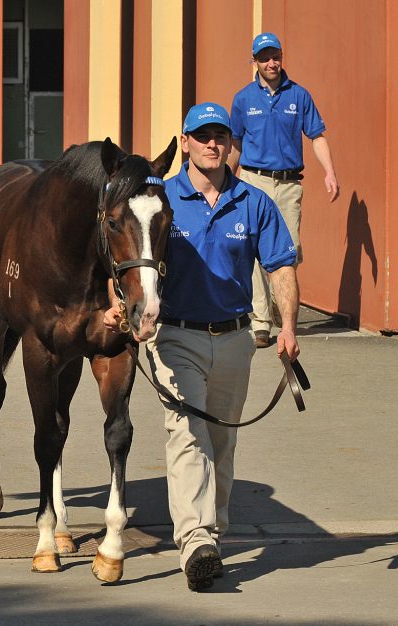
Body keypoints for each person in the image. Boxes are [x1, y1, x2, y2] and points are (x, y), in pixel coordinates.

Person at [104, 103, 300, 592]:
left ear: (230, 143)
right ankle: (195, 543)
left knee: (221, 441)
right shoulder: (160, 197)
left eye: (220, 136)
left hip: (235, 338)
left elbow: (280, 266)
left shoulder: (254, 202)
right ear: (186, 142)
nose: (212, 144)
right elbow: (124, 249)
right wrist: (117, 304)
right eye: (202, 136)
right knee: (188, 433)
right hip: (176, 336)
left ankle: (212, 534)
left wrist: (288, 327)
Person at [228, 32, 339, 348]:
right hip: (253, 180)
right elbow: (235, 143)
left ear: (281, 57)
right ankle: (260, 323)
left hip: (289, 184)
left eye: (275, 57)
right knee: (251, 250)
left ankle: (281, 302)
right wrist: (224, 180)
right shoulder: (243, 99)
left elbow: (317, 136)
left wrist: (330, 172)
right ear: (254, 61)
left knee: (288, 251)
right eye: (264, 58)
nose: (271, 63)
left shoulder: (299, 96)